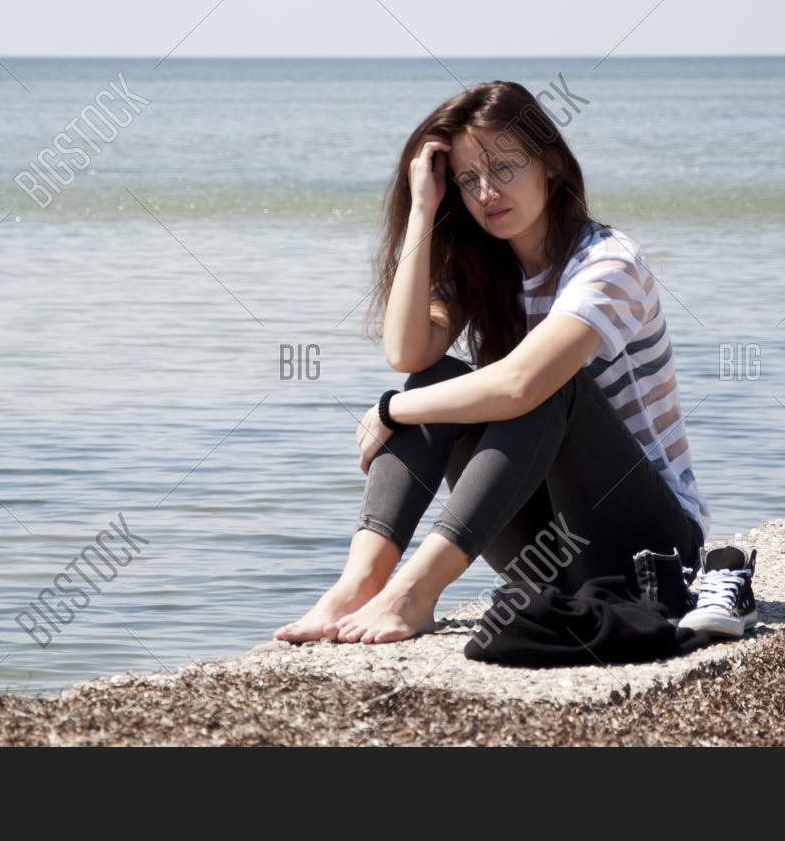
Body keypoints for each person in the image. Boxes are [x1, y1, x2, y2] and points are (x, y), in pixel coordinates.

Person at [274, 80, 710, 645]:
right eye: (467, 180)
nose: (486, 192)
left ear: (549, 164)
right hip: (547, 559)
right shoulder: (486, 270)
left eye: (503, 168)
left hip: (653, 551)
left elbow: (522, 385)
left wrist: (391, 409)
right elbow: (406, 353)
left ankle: (414, 593)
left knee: (547, 384)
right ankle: (362, 581)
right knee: (434, 379)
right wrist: (423, 209)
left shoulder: (607, 263)